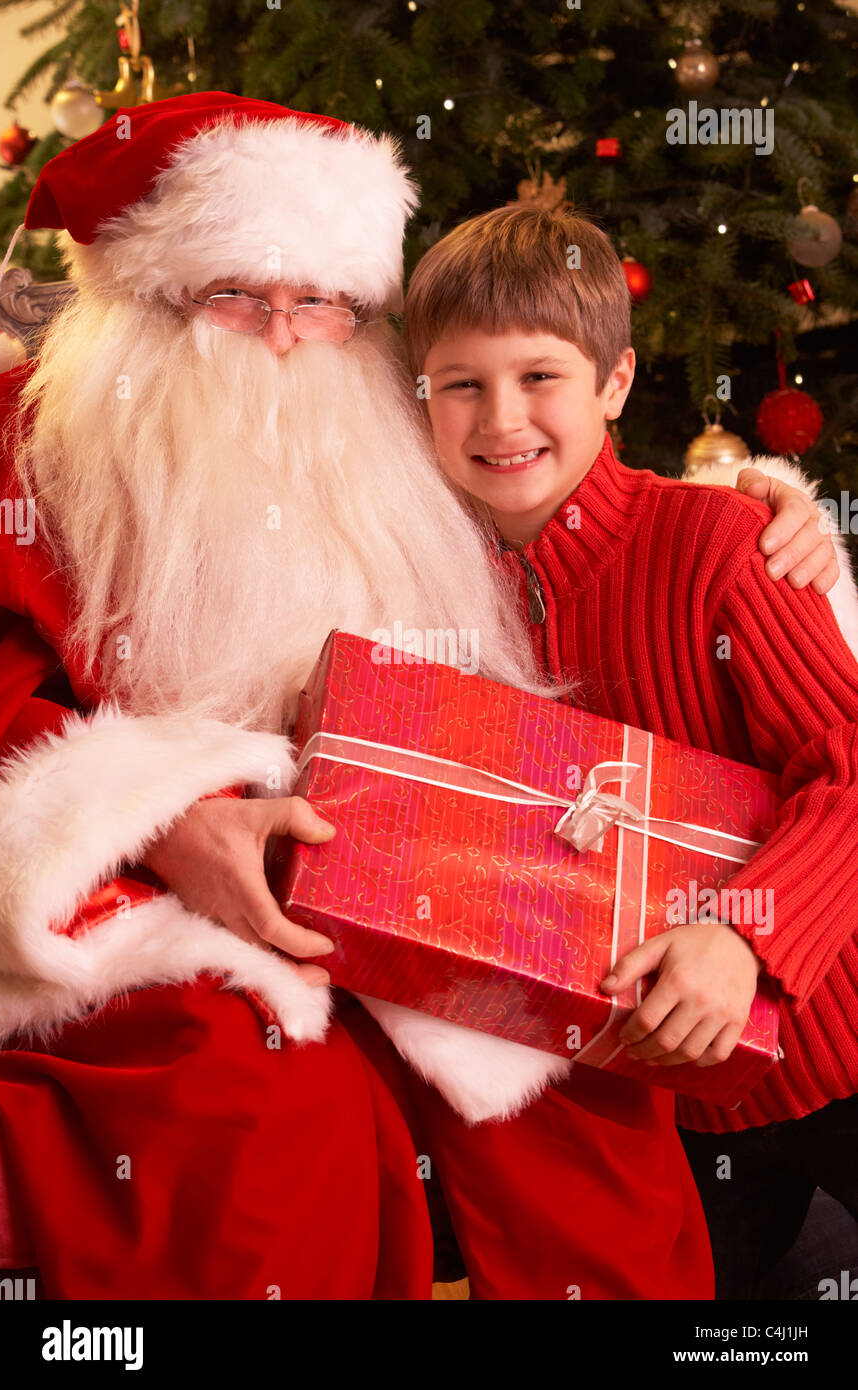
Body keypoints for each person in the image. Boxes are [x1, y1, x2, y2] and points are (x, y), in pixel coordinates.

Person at [0, 93, 842, 1300]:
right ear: (144, 295)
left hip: (422, 865)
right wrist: (162, 822)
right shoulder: (33, 450)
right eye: (236, 294)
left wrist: (765, 501)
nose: (286, 336)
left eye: (321, 302)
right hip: (140, 893)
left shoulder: (389, 431)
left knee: (567, 1099)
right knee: (264, 1099)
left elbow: (568, 483)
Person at [388, 200, 858, 1300]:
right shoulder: (425, 590)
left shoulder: (718, 544)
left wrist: (747, 941)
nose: (501, 418)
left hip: (831, 1033)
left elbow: (845, 762)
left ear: (613, 382)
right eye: (460, 384)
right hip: (659, 1092)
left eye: (539, 376)